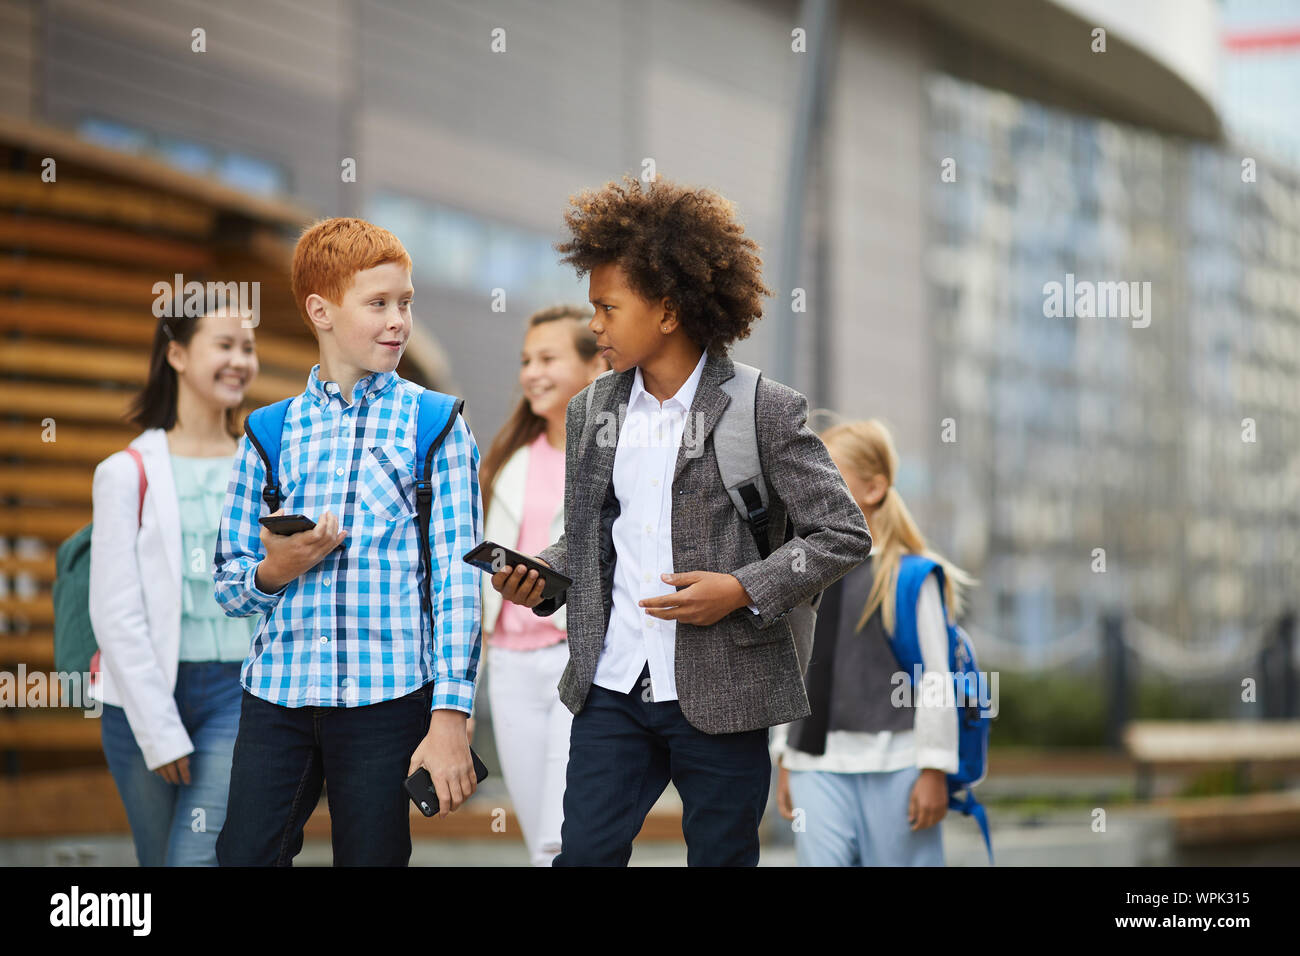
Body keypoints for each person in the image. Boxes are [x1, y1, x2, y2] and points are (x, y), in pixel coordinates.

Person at [491, 175, 873, 866]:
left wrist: (742, 589)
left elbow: (843, 534)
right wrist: (542, 577)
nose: (594, 324)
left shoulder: (765, 408)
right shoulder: (592, 410)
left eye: (607, 307)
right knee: (580, 856)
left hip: (725, 690)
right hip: (611, 686)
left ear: (667, 311)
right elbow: (587, 537)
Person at [212, 217, 482, 866]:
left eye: (405, 303)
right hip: (277, 694)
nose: (398, 321)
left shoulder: (435, 424)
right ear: (321, 310)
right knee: (243, 857)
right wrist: (275, 570)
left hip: (386, 699)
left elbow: (458, 581)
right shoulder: (268, 433)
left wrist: (450, 715)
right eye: (378, 304)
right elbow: (228, 583)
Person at [89, 305, 260, 866]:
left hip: (235, 695)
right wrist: (159, 733)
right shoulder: (124, 471)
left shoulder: (262, 465)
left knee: (194, 857)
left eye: (247, 348)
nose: (240, 361)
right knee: (157, 858)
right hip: (140, 698)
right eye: (225, 345)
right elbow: (115, 613)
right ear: (178, 354)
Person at [773, 418, 975, 866]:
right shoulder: (801, 570)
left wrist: (933, 769)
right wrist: (785, 756)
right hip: (816, 766)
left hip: (898, 765)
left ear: (874, 489)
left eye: (829, 475)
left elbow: (935, 681)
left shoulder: (910, 576)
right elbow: (792, 667)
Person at [477, 304, 608, 867]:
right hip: (506, 663)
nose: (532, 372)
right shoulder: (508, 459)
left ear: (594, 366)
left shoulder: (609, 453)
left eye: (549, 358)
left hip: (573, 660)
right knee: (536, 836)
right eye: (526, 360)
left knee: (563, 835)